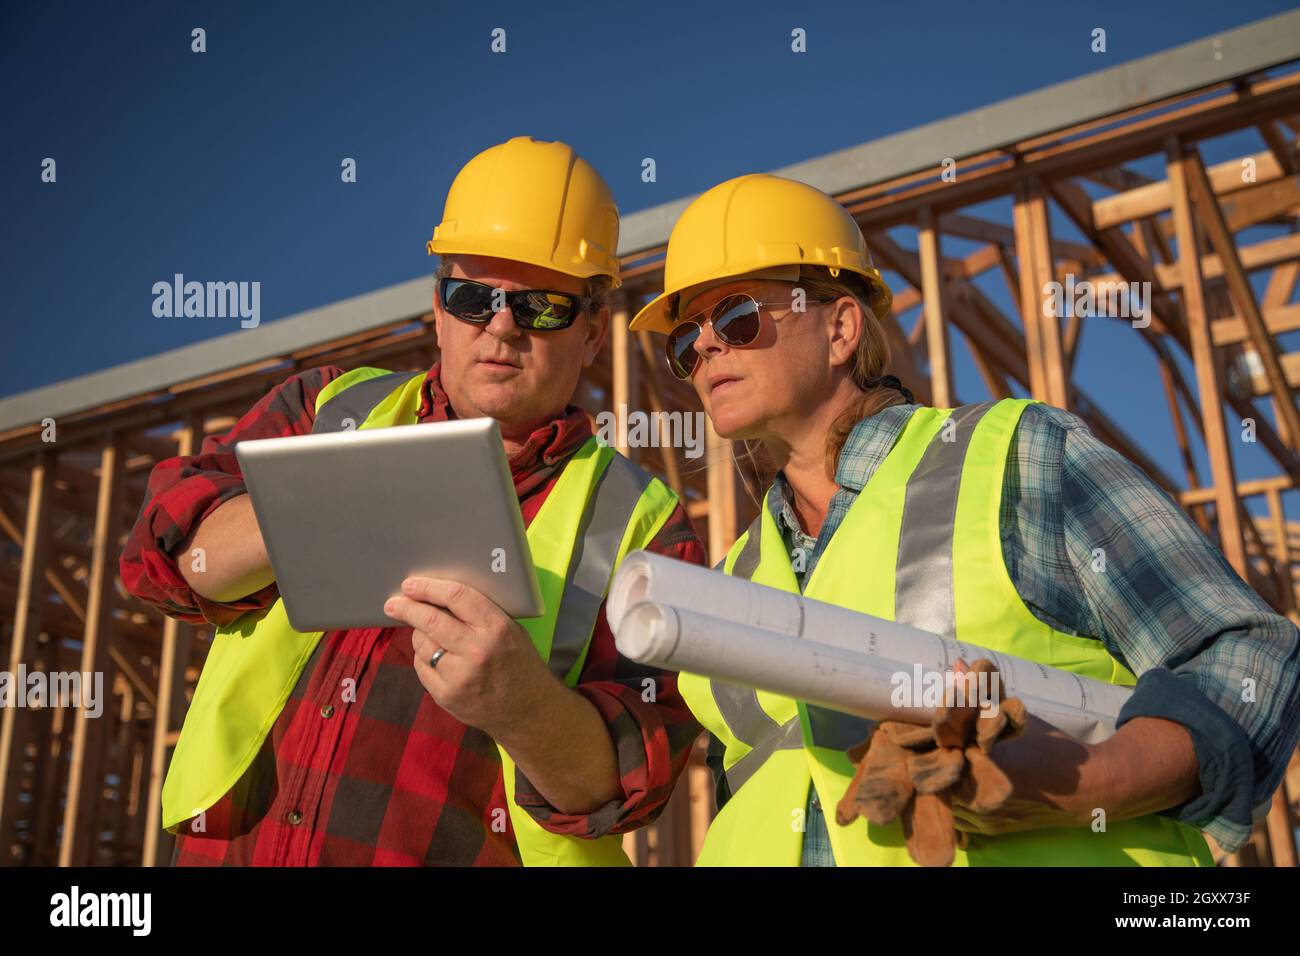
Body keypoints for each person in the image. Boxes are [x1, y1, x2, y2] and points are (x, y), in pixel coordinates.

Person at [627, 172, 1300, 865]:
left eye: (736, 317)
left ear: (840, 327)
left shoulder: (1014, 459)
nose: (705, 347)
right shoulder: (732, 580)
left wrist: (1082, 785)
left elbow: (1244, 654)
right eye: (687, 340)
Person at [120, 136, 707, 866]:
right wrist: (325, 501)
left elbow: (635, 777)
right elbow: (162, 553)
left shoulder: (638, 523)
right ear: (438, 308)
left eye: (543, 306)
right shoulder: (329, 408)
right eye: (473, 299)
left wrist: (523, 706)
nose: (500, 327)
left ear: (592, 331)